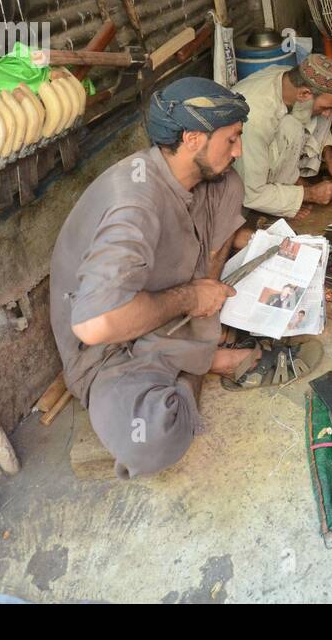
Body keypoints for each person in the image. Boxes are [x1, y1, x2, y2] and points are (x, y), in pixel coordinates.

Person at [49, 78, 300, 479]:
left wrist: (242, 252)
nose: (238, 150)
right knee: (150, 439)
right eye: (232, 139)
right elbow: (95, 325)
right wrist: (189, 299)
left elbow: (213, 227)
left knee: (229, 186)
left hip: (169, 308)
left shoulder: (204, 178)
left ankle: (194, 347)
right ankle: (200, 359)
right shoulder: (132, 202)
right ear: (193, 139)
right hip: (112, 346)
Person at [233, 53, 332, 218]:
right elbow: (251, 194)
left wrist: (330, 158)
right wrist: (310, 194)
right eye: (325, 106)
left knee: (308, 113)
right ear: (304, 93)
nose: (326, 115)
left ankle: (291, 185)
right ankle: (284, 193)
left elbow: (316, 117)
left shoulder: (290, 78)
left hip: (269, 136)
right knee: (292, 125)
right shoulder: (255, 119)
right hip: (240, 177)